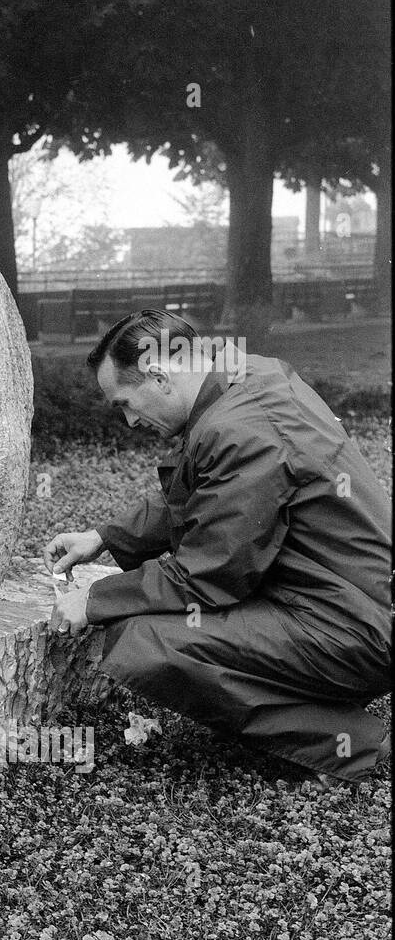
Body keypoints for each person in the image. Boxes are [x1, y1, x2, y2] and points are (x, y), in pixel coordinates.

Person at [43, 310, 391, 789]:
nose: (127, 419)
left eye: (124, 401)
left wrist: (96, 600)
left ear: (160, 376)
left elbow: (208, 574)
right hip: (349, 605)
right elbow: (203, 494)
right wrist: (106, 538)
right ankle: (321, 704)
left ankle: (346, 743)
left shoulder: (239, 429)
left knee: (144, 640)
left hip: (354, 628)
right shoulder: (245, 378)